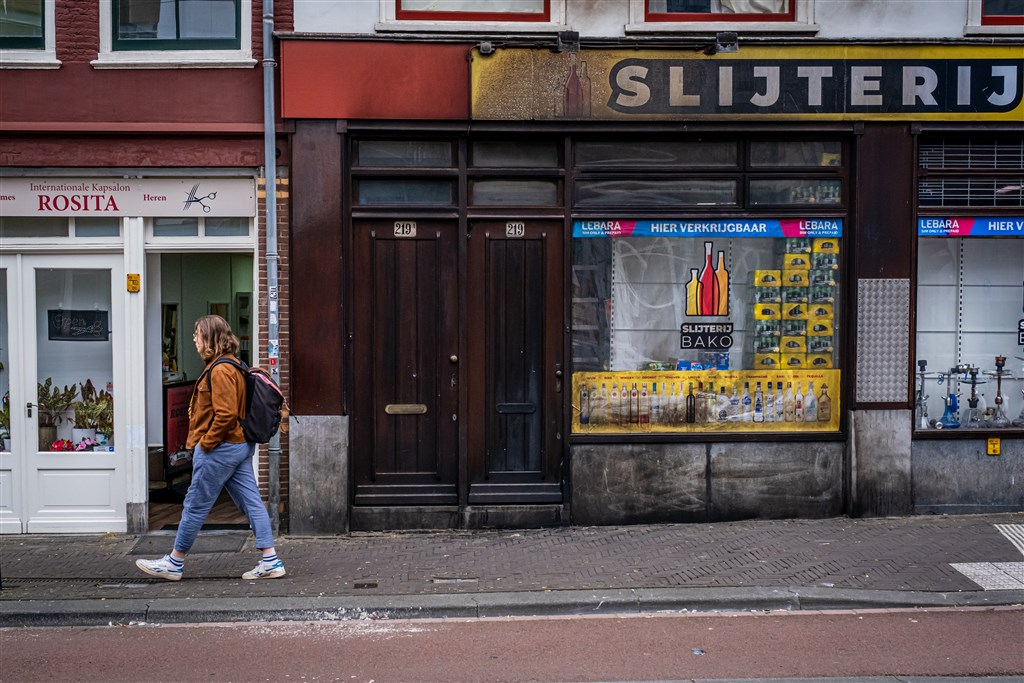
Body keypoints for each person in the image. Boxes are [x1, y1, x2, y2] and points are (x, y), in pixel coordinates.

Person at [136, 314, 285, 581]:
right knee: (251, 502)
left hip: (221, 448)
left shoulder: (220, 370)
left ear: (210, 338)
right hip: (237, 445)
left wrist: (206, 443)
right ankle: (270, 560)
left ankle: (174, 562)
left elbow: (226, 414)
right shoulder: (231, 365)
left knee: (195, 504)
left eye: (197, 333)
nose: (194, 338)